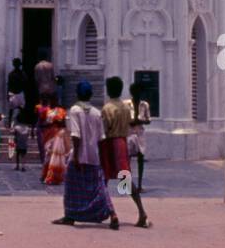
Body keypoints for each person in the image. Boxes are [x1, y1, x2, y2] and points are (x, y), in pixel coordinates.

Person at [53, 80, 121, 230]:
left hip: (79, 155)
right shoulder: (97, 113)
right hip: (94, 156)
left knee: (71, 186)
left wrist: (76, 156)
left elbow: (76, 135)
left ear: (77, 93)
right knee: (99, 186)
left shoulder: (75, 110)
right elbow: (101, 137)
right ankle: (112, 213)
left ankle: (69, 215)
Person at [101, 76, 148, 227]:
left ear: (109, 90)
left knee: (103, 181)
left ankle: (112, 213)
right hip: (122, 143)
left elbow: (105, 129)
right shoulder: (125, 108)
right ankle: (141, 212)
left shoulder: (107, 108)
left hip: (109, 144)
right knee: (126, 181)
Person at [39, 94, 70, 186]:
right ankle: (45, 175)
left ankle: (54, 176)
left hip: (58, 135)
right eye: (51, 100)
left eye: (54, 100)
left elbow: (63, 123)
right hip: (48, 134)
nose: (53, 102)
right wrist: (48, 124)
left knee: (55, 157)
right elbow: (42, 123)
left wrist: (57, 122)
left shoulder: (61, 111)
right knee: (48, 156)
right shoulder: (47, 111)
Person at [127, 81, 152, 193]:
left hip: (140, 133)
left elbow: (148, 120)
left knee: (140, 159)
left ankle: (140, 185)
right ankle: (125, 185)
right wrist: (131, 121)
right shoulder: (126, 104)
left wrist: (141, 121)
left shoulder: (144, 105)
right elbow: (124, 119)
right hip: (129, 133)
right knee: (126, 160)